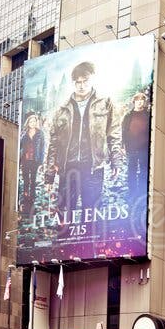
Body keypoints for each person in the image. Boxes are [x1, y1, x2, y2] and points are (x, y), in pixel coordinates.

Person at [50, 60, 120, 217]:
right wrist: (49, 174)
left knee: (92, 210)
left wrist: (116, 160)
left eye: (85, 80)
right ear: (74, 83)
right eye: (77, 82)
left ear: (92, 79)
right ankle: (65, 239)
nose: (81, 85)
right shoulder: (62, 108)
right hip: (69, 166)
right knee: (65, 210)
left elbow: (114, 134)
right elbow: (54, 142)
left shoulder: (105, 103)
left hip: (93, 165)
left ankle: (90, 239)